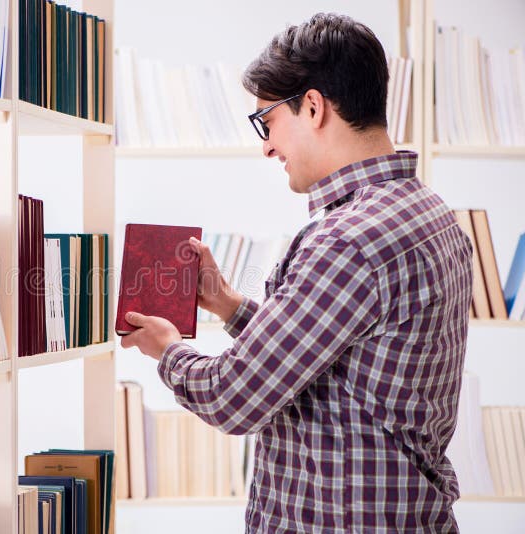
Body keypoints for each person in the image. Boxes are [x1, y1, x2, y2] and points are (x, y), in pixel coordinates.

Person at [121, 12, 473, 533]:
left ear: (312, 107)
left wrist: (168, 350)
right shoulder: (429, 213)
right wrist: (231, 307)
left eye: (267, 121)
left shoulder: (350, 239)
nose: (266, 145)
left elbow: (232, 397)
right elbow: (335, 363)